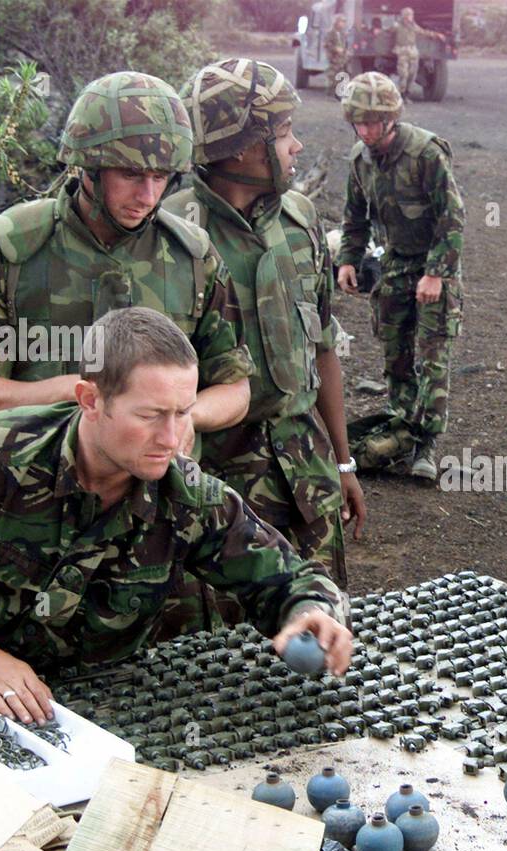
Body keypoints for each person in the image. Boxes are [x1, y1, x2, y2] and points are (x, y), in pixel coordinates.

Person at [0, 307, 354, 726]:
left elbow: (288, 579)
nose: (172, 436)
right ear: (91, 401)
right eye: (150, 415)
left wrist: (313, 613)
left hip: (99, 713)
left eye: (182, 413)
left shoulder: (187, 497)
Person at [0, 71, 253, 445]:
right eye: (131, 175)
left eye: (161, 178)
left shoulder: (192, 256)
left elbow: (235, 388)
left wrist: (187, 418)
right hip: (34, 486)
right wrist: (70, 392)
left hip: (151, 491)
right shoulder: (13, 249)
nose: (148, 195)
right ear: (89, 167)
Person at [168, 59, 365, 594]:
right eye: (282, 134)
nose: (296, 146)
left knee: (324, 632)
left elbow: (323, 349)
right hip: (219, 489)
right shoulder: (171, 240)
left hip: (308, 477)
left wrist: (343, 463)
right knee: (226, 656)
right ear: (239, 146)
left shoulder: (299, 221)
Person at [335, 71, 464, 481]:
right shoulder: (360, 159)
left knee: (432, 355)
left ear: (391, 119)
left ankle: (425, 442)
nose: (368, 130)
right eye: (361, 122)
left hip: (432, 267)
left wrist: (436, 274)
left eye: (375, 121)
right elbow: (354, 216)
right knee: (396, 353)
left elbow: (453, 217)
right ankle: (400, 432)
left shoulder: (425, 153)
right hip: (393, 265)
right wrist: (348, 259)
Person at [392, 6, 444, 101]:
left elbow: (424, 32)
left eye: (411, 14)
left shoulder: (413, 26)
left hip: (413, 53)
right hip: (402, 52)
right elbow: (387, 32)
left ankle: (407, 94)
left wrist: (437, 35)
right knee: (403, 74)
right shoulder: (397, 26)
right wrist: (376, 31)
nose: (411, 16)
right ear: (404, 16)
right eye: (409, 15)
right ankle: (401, 94)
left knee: (412, 74)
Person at [326, 13, 351, 97]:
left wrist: (346, 51)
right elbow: (327, 44)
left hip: (342, 58)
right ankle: (331, 93)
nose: (343, 23)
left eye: (344, 22)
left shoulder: (343, 34)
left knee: (343, 75)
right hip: (334, 58)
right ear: (336, 22)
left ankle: (339, 92)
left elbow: (345, 44)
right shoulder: (331, 33)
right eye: (341, 21)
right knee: (333, 75)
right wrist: (335, 48)